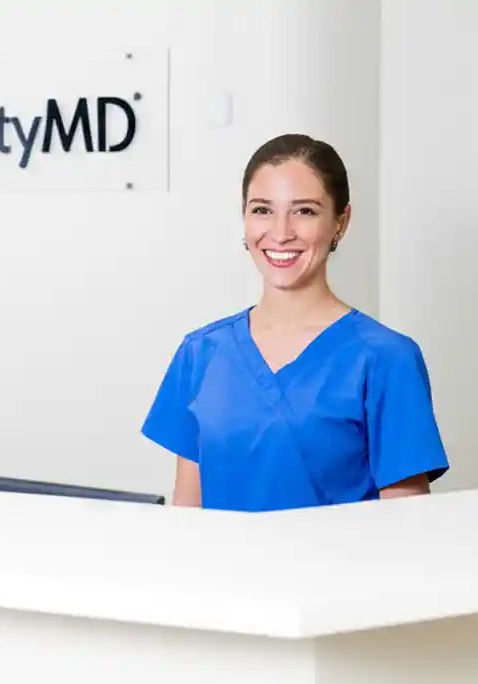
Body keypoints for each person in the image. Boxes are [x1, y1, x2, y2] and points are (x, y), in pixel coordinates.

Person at [141, 133, 449, 512]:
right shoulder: (200, 353)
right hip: (219, 571)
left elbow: (407, 527)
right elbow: (187, 514)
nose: (281, 232)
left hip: (338, 571)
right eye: (262, 210)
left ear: (341, 221)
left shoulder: (386, 359)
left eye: (304, 211)